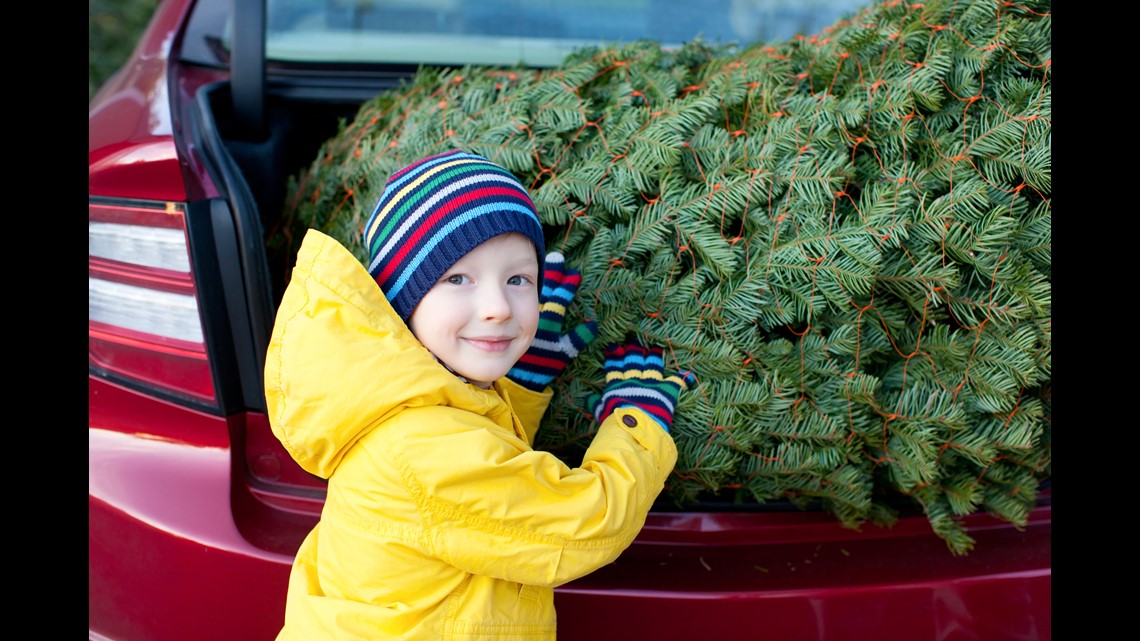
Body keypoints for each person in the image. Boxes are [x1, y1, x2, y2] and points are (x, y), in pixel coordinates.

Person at [265, 149, 694, 640]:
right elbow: (583, 524)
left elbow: (485, 469)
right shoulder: (420, 449)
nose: (496, 307)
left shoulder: (411, 408)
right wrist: (637, 421)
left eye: (517, 280)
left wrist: (521, 386)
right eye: (457, 279)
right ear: (403, 302)